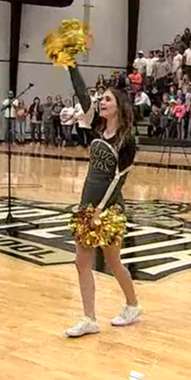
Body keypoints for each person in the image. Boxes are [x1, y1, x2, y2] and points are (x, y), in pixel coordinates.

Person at [63, 64, 141, 338]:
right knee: (81, 262)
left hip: (108, 209)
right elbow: (82, 94)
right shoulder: (97, 127)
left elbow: (119, 179)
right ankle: (89, 318)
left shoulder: (127, 140)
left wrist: (99, 210)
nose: (102, 102)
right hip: (87, 204)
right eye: (101, 99)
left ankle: (132, 305)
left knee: (113, 261)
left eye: (107, 99)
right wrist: (70, 65)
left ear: (119, 106)